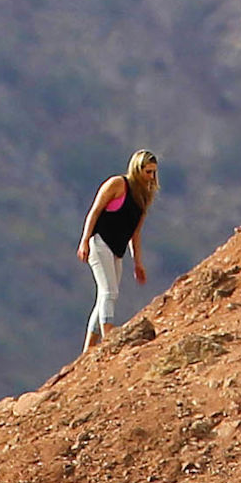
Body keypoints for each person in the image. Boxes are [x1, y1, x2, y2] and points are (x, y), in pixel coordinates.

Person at [75, 149, 158, 353]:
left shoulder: (144, 196)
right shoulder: (118, 184)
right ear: (137, 169)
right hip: (100, 242)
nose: (151, 177)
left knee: (105, 296)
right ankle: (109, 336)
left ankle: (88, 350)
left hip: (117, 249)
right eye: (148, 172)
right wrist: (85, 240)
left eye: (154, 172)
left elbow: (135, 233)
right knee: (109, 292)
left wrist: (137, 262)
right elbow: (94, 211)